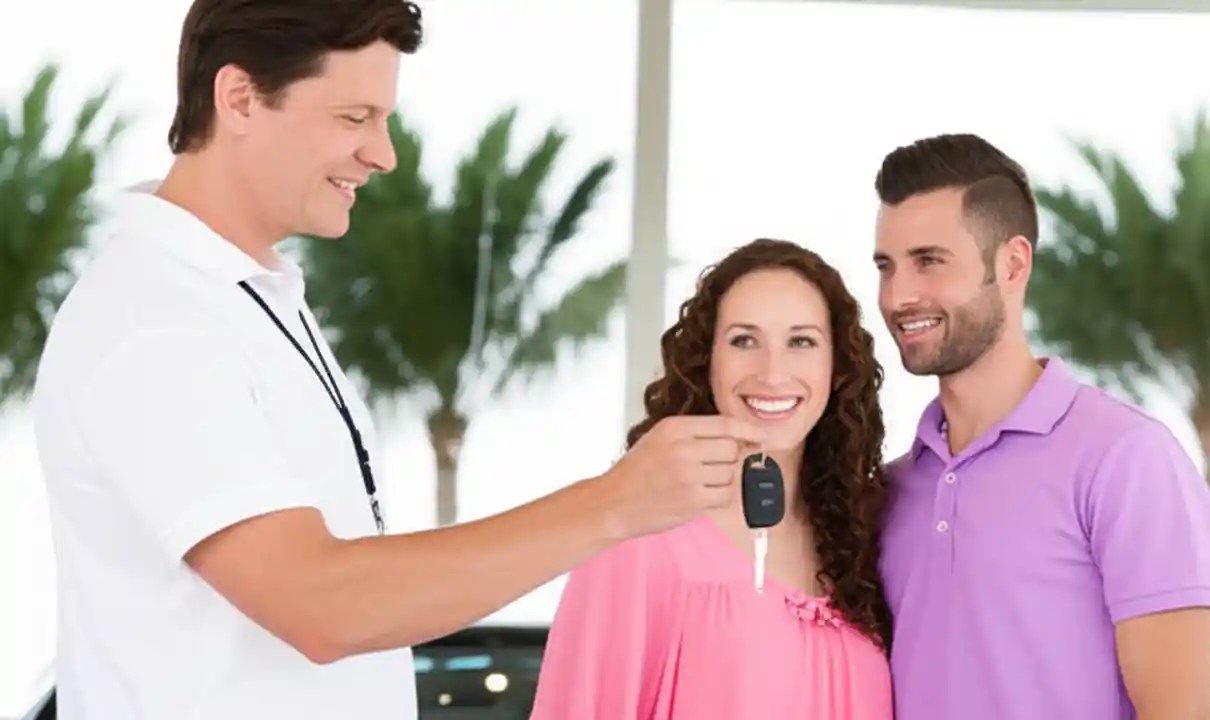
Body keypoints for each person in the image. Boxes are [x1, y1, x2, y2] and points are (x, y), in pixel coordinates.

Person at [29, 2, 764, 718]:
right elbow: (320, 605)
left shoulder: (248, 299)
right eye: (354, 118)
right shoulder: (155, 324)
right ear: (240, 98)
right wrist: (616, 503)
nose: (383, 154)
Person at [871, 132, 1210, 719]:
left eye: (929, 261)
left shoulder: (1125, 460)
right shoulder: (890, 490)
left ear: (1013, 264)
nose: (898, 294)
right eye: (886, 266)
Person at [529, 238, 895, 720]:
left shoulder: (865, 534)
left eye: (801, 341)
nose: (773, 373)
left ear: (837, 365)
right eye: (744, 340)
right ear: (708, 360)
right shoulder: (639, 535)